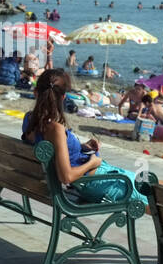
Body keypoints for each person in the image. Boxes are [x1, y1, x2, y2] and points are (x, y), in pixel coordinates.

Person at [21, 69, 145, 206]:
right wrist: (93, 163)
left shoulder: (29, 120)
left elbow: (54, 150)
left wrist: (80, 147)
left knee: (161, 186)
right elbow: (66, 176)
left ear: (35, 93)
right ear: (63, 98)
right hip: (97, 182)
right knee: (158, 193)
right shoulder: (55, 129)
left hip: (94, 181)